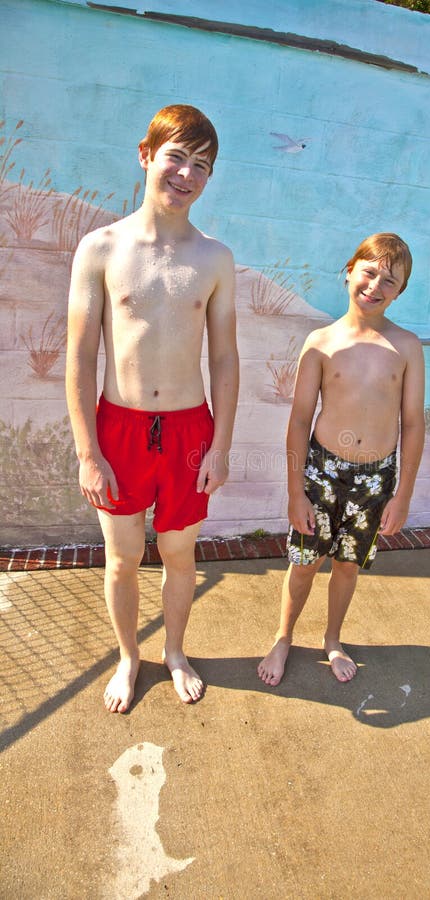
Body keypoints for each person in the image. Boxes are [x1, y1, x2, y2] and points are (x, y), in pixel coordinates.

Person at [66, 104, 238, 712]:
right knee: (122, 558)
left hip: (191, 429)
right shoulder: (101, 248)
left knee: (179, 552)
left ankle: (174, 651)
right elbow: (80, 359)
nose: (187, 174)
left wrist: (221, 446)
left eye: (202, 165)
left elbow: (224, 360)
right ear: (146, 155)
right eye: (177, 157)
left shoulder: (215, 258)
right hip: (121, 427)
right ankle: (128, 657)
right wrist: (89, 453)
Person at [258, 233, 424, 686]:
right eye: (369, 272)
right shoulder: (320, 342)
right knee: (304, 563)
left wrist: (402, 495)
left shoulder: (407, 347)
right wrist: (296, 493)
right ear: (349, 270)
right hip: (321, 473)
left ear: (400, 291)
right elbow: (298, 422)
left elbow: (413, 424)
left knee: (348, 565)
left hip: (376, 480)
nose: (375, 286)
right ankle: (284, 635)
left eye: (390, 280)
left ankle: (332, 639)